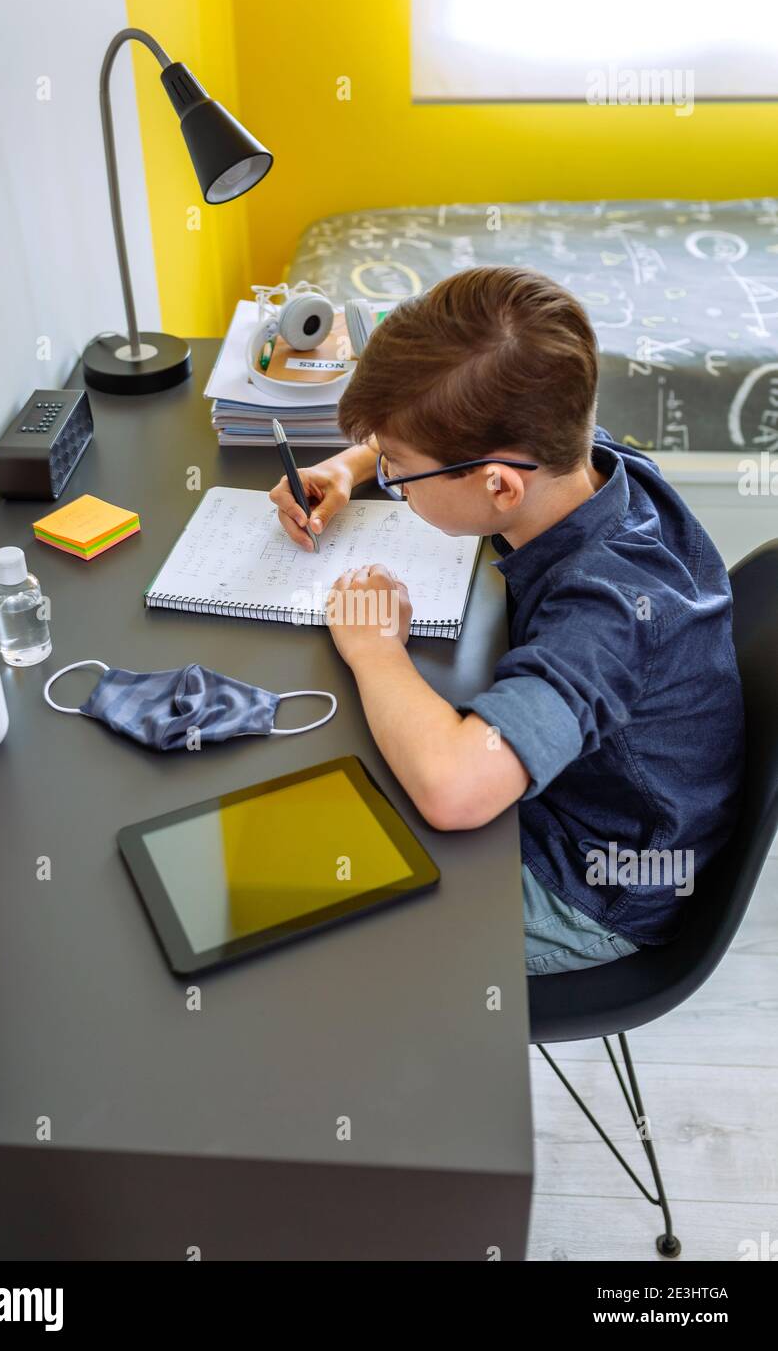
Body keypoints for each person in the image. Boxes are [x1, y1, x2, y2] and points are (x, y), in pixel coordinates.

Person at [269, 267, 744, 975]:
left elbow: (456, 791)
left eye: (401, 470)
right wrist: (355, 464)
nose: (392, 481)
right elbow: (473, 428)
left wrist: (376, 649)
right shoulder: (578, 455)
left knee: (304, 924)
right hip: (593, 803)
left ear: (499, 485)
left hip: (593, 882)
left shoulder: (607, 616)